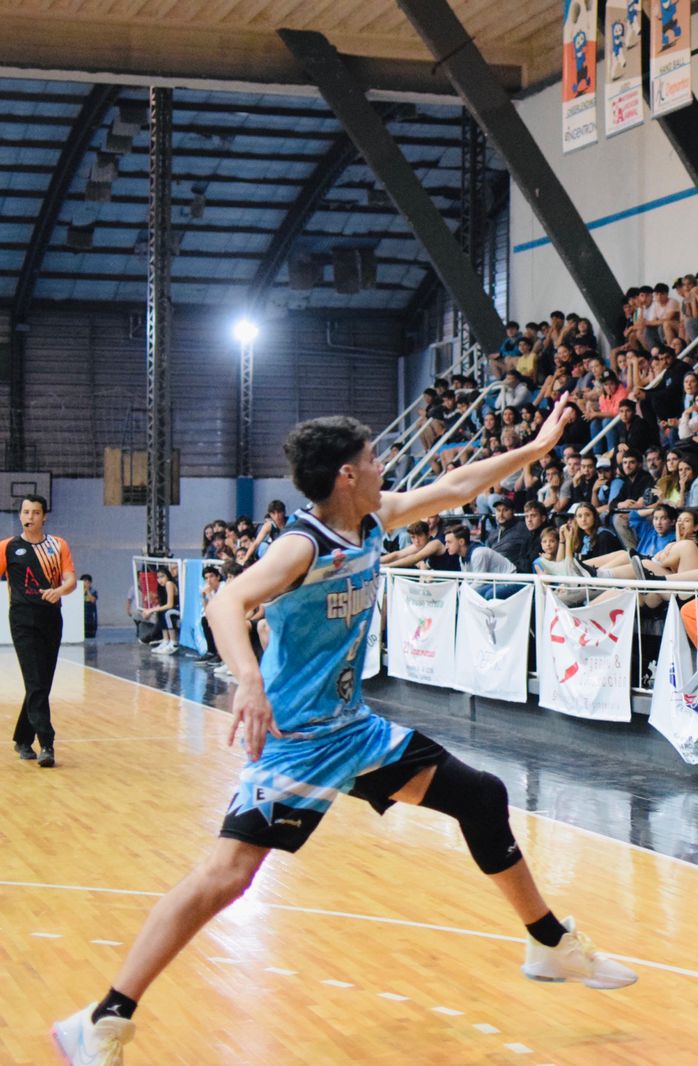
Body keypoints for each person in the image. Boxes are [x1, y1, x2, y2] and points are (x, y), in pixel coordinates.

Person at [50, 399, 637, 1065]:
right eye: (372, 460)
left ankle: (549, 943)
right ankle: (101, 1022)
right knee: (224, 878)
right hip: (298, 742)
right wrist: (246, 676)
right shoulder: (303, 545)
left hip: (354, 732)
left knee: (481, 795)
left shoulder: (374, 518)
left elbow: (457, 485)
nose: (383, 466)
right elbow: (225, 601)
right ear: (346, 477)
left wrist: (536, 447)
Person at [4, 495, 76, 769]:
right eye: (25, 512)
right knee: (35, 680)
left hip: (50, 619)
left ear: (44, 516)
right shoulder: (8, 547)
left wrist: (59, 591)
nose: (29, 517)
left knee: (41, 682)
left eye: (35, 512)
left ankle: (22, 738)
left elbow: (70, 578)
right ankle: (46, 743)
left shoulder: (58, 546)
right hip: (22, 620)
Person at [80, 573, 97, 639]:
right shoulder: (78, 592)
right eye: (84, 582)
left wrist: (87, 590)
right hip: (81, 617)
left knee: (90, 635)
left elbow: (93, 600)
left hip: (90, 618)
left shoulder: (93, 591)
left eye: (88, 582)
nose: (86, 584)